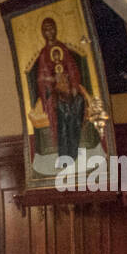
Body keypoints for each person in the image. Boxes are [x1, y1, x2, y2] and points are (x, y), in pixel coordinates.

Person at [27, 17, 93, 160]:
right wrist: (52, 80)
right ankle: (64, 152)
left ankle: (75, 147)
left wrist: (74, 86)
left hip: (69, 89)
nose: (49, 31)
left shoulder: (63, 48)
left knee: (80, 102)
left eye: (51, 27)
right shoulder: (44, 53)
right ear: (43, 33)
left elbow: (73, 69)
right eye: (46, 29)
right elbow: (41, 78)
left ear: (56, 29)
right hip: (54, 92)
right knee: (62, 111)